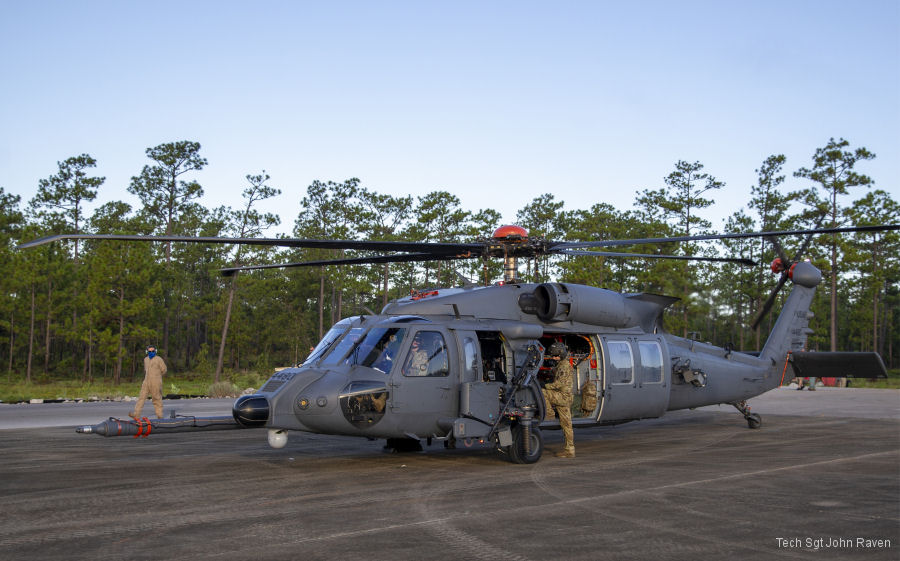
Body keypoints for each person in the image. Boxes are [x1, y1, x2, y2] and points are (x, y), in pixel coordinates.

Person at [542, 341, 575, 458]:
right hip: (565, 397)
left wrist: (545, 385)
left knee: (543, 393)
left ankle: (549, 414)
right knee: (567, 425)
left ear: (560, 354)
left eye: (555, 355)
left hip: (562, 396)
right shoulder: (561, 365)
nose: (554, 357)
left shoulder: (564, 366)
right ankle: (570, 450)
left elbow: (559, 383)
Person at [129, 345, 168, 419]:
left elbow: (164, 370)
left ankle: (159, 415)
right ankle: (136, 414)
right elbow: (145, 370)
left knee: (156, 398)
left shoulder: (159, 359)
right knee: (141, 397)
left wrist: (157, 376)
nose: (151, 353)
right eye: (149, 351)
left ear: (155, 351)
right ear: (147, 352)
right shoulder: (145, 359)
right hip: (146, 381)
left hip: (156, 381)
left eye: (153, 351)